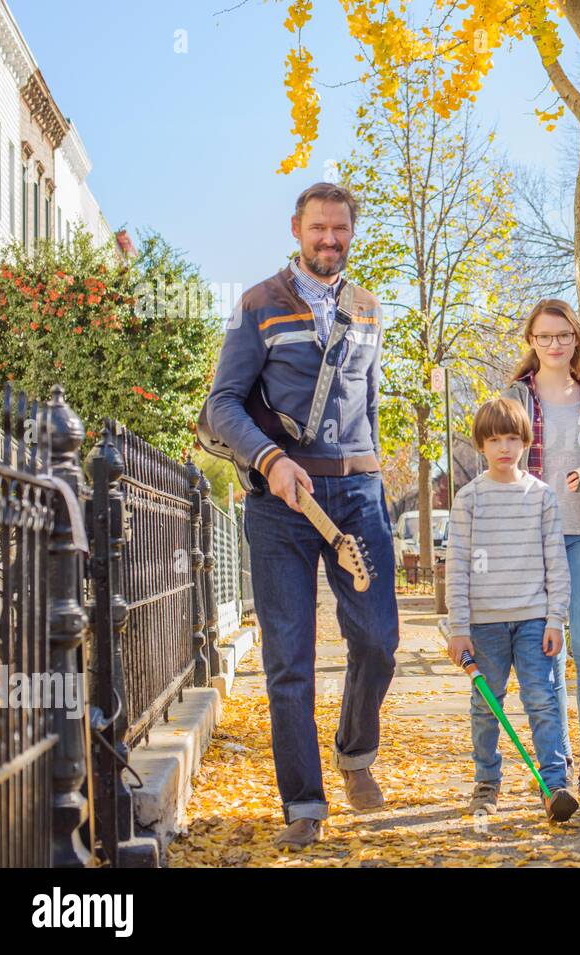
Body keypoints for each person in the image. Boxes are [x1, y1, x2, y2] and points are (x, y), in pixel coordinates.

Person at [204, 182, 398, 849]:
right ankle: (305, 804)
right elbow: (221, 405)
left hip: (357, 498)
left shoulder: (369, 309)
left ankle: (355, 753)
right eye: (318, 228)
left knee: (378, 640)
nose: (329, 240)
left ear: (351, 232)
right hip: (279, 504)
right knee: (290, 660)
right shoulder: (257, 304)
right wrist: (266, 458)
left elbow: (368, 406)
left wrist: (375, 477)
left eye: (340, 230)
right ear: (296, 228)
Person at [444, 398, 579, 823]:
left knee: (542, 702)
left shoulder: (540, 496)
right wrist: (459, 628)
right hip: (484, 625)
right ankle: (487, 782)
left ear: (525, 441)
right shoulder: (469, 499)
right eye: (494, 439)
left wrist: (556, 618)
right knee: (487, 706)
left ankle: (554, 783)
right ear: (481, 444)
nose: (504, 447)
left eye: (513, 438)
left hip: (534, 619)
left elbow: (556, 560)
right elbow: (459, 566)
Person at [502, 299, 580, 796]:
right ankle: (560, 761)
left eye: (564, 336)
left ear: (577, 340)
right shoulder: (515, 397)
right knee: (551, 650)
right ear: (532, 341)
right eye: (545, 336)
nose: (555, 345)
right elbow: (498, 462)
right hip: (534, 541)